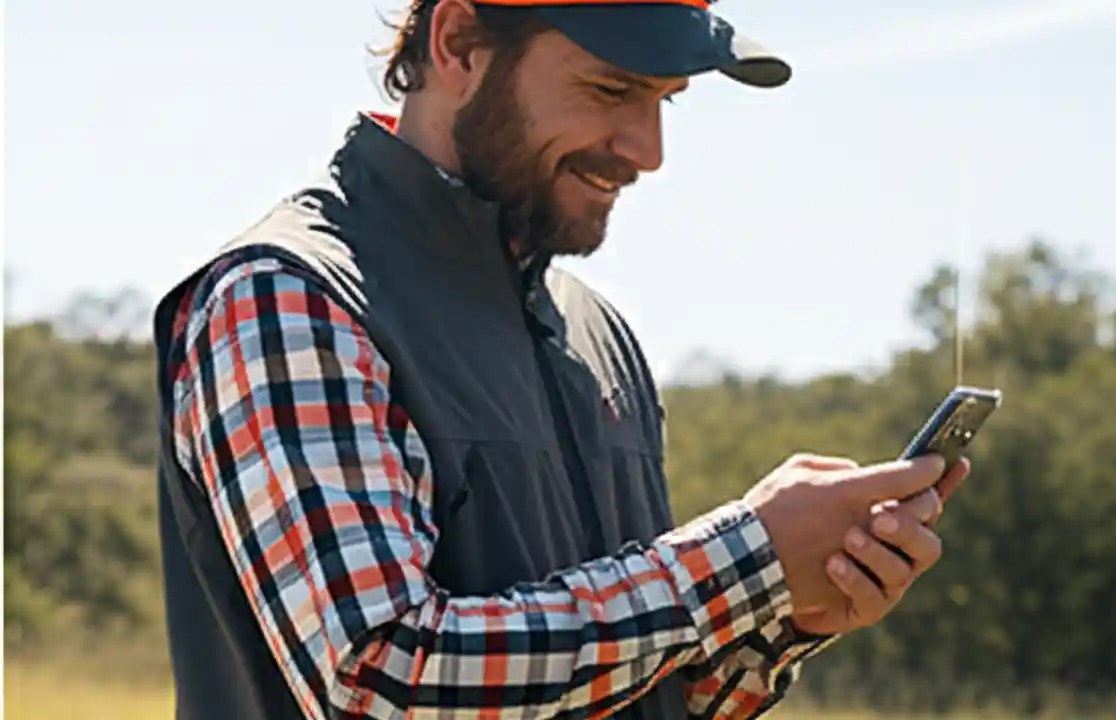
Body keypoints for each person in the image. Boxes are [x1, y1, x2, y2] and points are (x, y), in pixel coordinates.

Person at [151, 0, 972, 717]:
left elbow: (622, 686)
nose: (647, 150)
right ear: (460, 43)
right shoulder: (291, 298)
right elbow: (384, 682)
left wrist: (781, 617)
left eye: (664, 100)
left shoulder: (600, 335)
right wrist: (747, 559)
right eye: (611, 89)